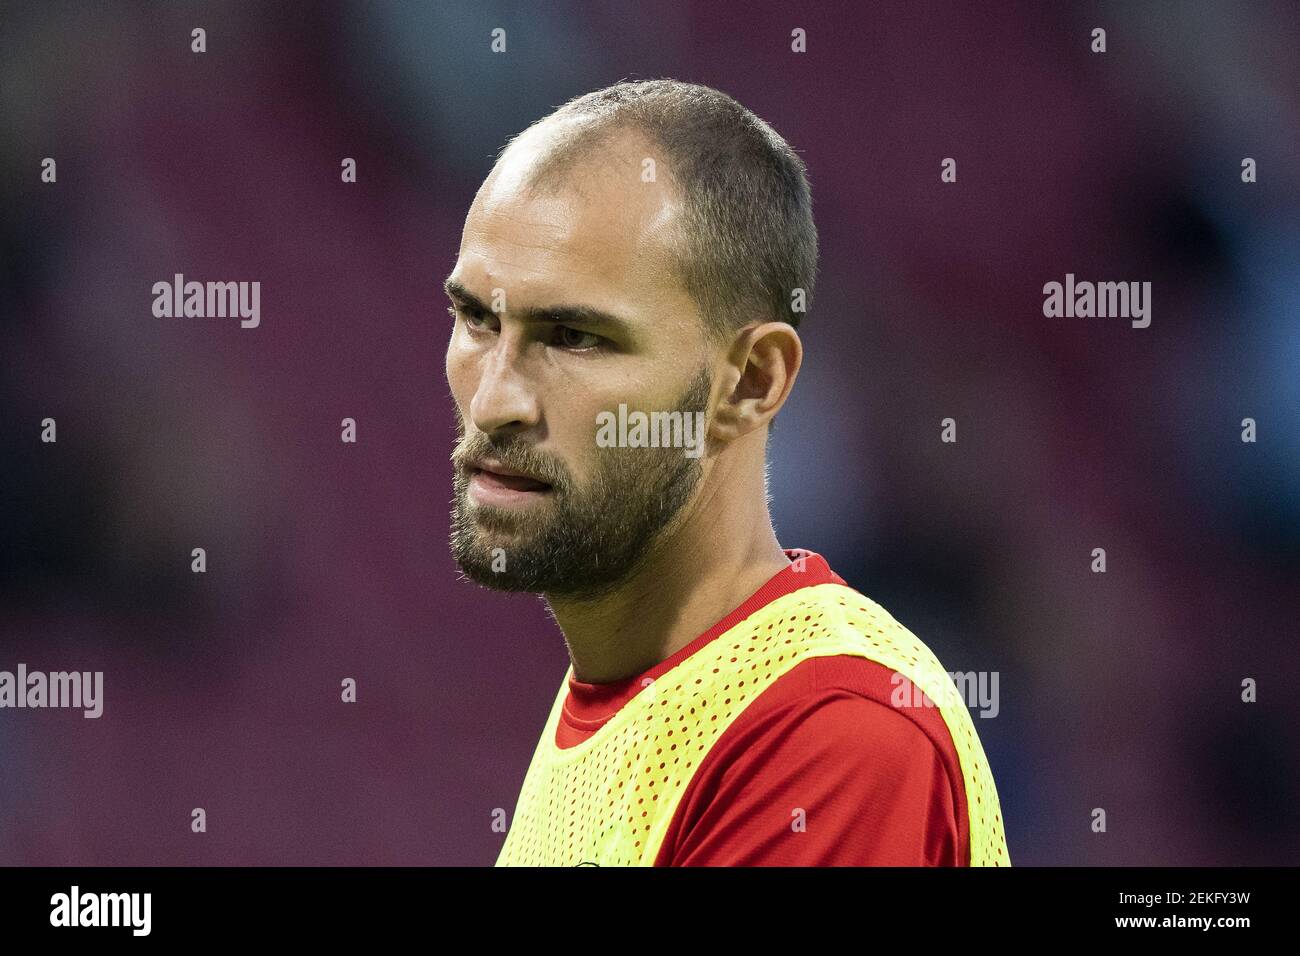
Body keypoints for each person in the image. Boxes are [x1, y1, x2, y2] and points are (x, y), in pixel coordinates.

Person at [443, 78, 1009, 866]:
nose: (496, 399)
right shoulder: (629, 692)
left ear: (749, 383)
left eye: (574, 337)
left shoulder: (834, 732)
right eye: (477, 319)